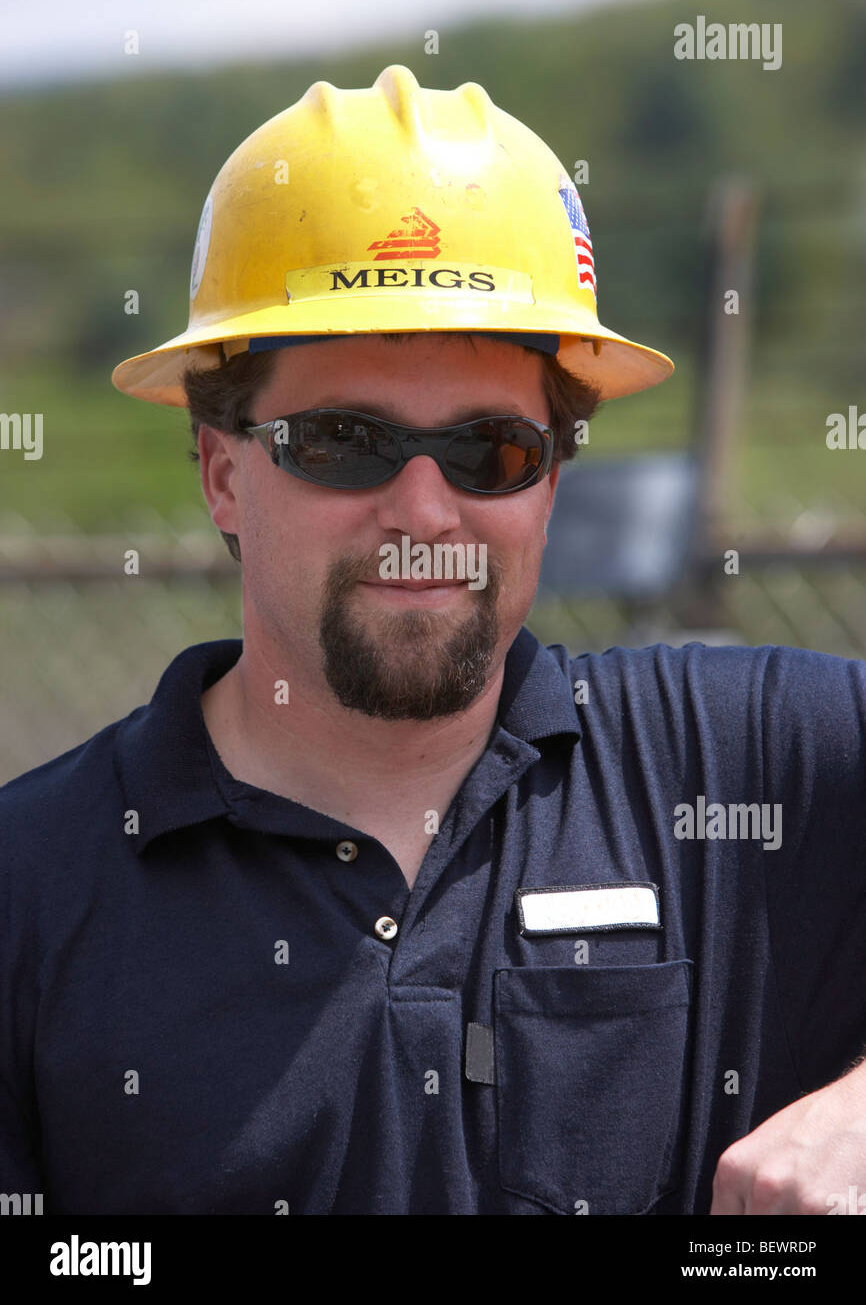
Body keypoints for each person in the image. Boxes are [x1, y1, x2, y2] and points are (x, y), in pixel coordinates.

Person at [1, 65, 865, 1217]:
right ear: (220, 469)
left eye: (488, 451)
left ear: (550, 481)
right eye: (344, 439)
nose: (421, 510)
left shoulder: (747, 768)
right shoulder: (34, 891)